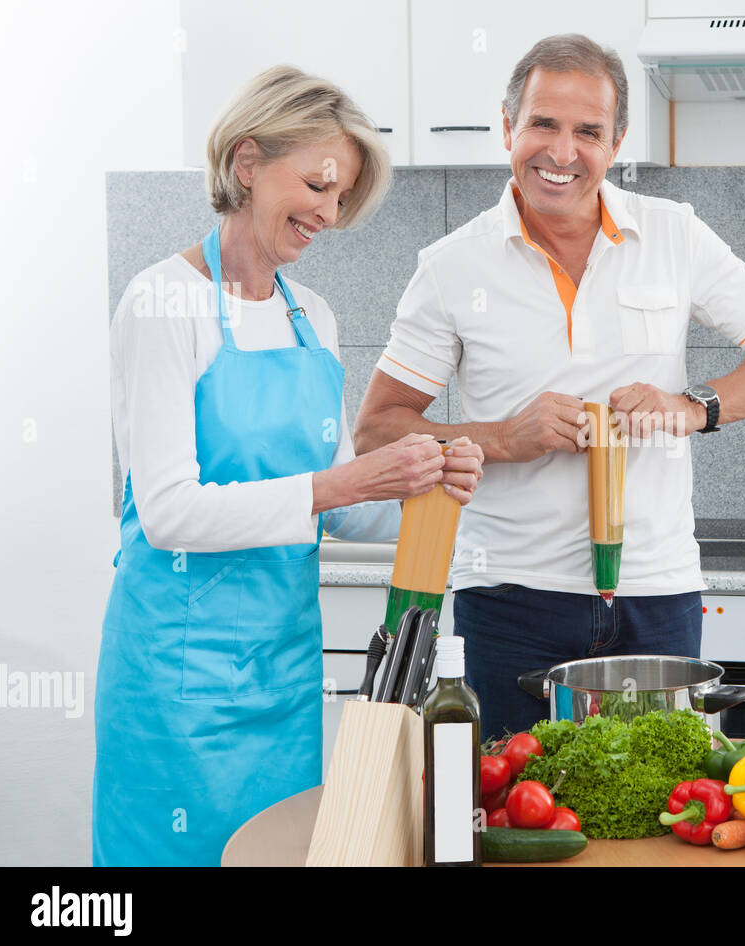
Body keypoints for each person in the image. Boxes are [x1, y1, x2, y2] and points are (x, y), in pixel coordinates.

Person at [353, 35, 745, 739]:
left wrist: (692, 408)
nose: (562, 152)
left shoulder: (673, 236)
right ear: (508, 126)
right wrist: (504, 439)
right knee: (514, 817)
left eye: (588, 132)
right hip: (510, 596)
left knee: (656, 818)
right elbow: (378, 430)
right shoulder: (452, 266)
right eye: (543, 124)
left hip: (656, 592)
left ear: (618, 140)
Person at [93, 65, 484, 866]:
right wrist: (346, 482)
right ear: (245, 162)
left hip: (280, 680)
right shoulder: (163, 303)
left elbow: (342, 509)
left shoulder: (315, 319)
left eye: (340, 199)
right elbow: (169, 512)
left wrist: (426, 483)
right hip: (179, 685)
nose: (328, 215)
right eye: (315, 185)